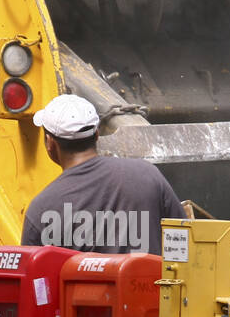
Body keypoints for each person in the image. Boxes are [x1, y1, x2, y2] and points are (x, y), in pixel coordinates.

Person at [22, 94, 185, 256]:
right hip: (153, 282)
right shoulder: (147, 174)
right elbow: (183, 240)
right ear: (97, 135)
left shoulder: (41, 209)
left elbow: (34, 277)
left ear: (50, 143)